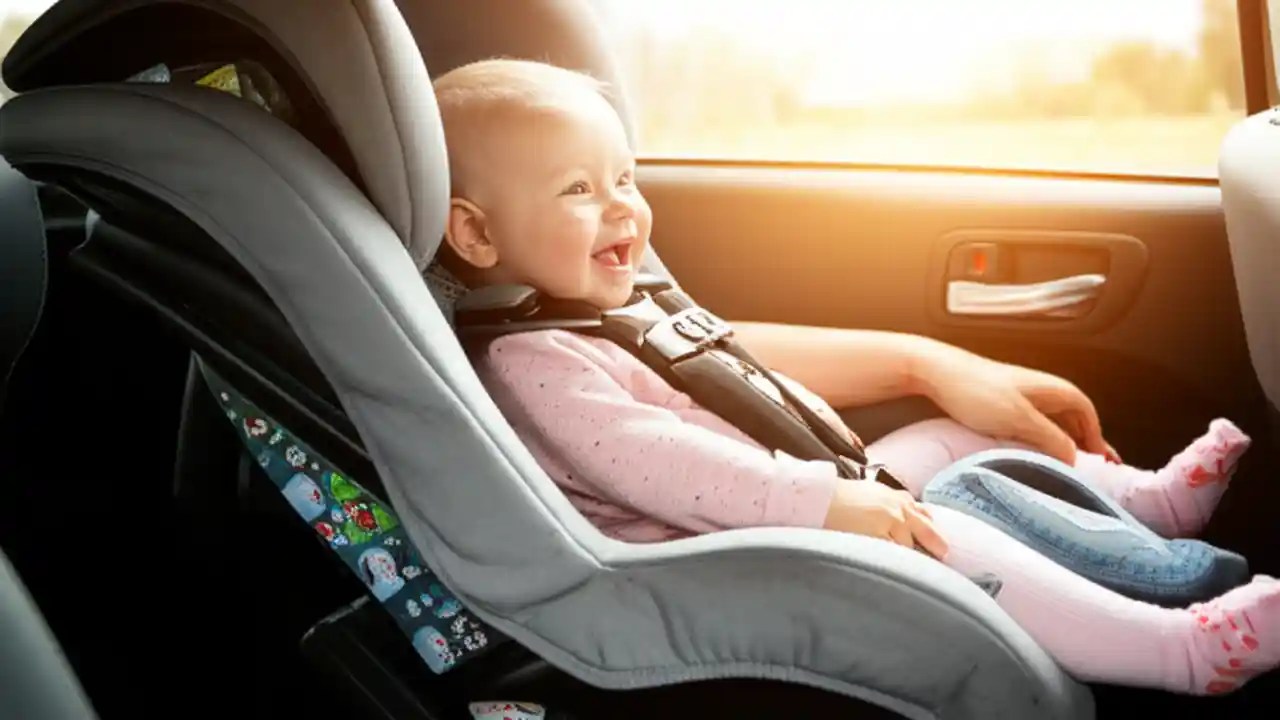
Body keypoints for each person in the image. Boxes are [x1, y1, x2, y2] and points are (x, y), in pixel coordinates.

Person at [431, 58, 1277, 696]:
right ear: (475, 236)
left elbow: (729, 369)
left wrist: (892, 413)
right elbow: (659, 464)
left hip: (801, 494)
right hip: (729, 550)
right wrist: (822, 502)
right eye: (580, 189)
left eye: (625, 177)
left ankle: (1141, 501)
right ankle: (1184, 649)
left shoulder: (607, 313)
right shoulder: (531, 359)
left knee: (955, 439)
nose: (623, 207)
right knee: (945, 535)